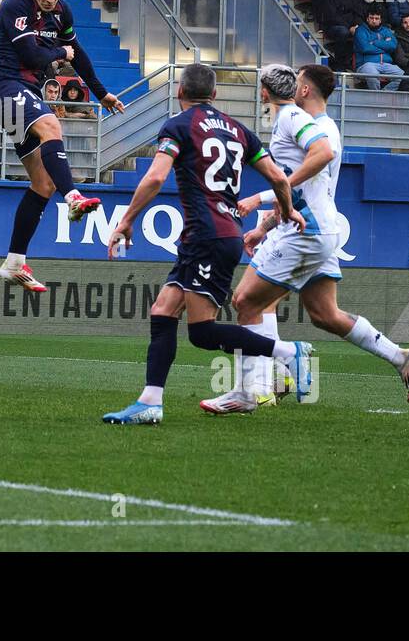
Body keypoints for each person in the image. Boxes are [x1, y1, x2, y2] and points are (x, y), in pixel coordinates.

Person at [100, 63, 305, 425]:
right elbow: (279, 178)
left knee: (202, 332)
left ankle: (287, 352)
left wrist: (127, 219)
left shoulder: (178, 126)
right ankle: (150, 402)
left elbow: (156, 176)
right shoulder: (240, 131)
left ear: (179, 92)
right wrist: (287, 212)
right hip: (216, 234)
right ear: (214, 95)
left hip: (207, 237)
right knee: (162, 311)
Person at [227, 65, 409, 409]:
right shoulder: (316, 125)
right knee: (324, 313)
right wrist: (265, 225)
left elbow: (303, 178)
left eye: (298, 79)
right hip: (315, 223)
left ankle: (267, 380)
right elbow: (302, 187)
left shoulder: (315, 129)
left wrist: (263, 200)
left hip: (309, 229)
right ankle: (399, 356)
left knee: (250, 301)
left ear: (303, 89)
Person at [0, 0, 124, 292]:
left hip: (26, 92)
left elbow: (79, 52)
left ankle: (14, 262)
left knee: (42, 184)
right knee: (52, 126)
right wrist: (60, 52)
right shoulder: (14, 5)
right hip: (3, 87)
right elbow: (35, 58)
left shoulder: (61, 11)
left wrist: (101, 92)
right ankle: (74, 196)